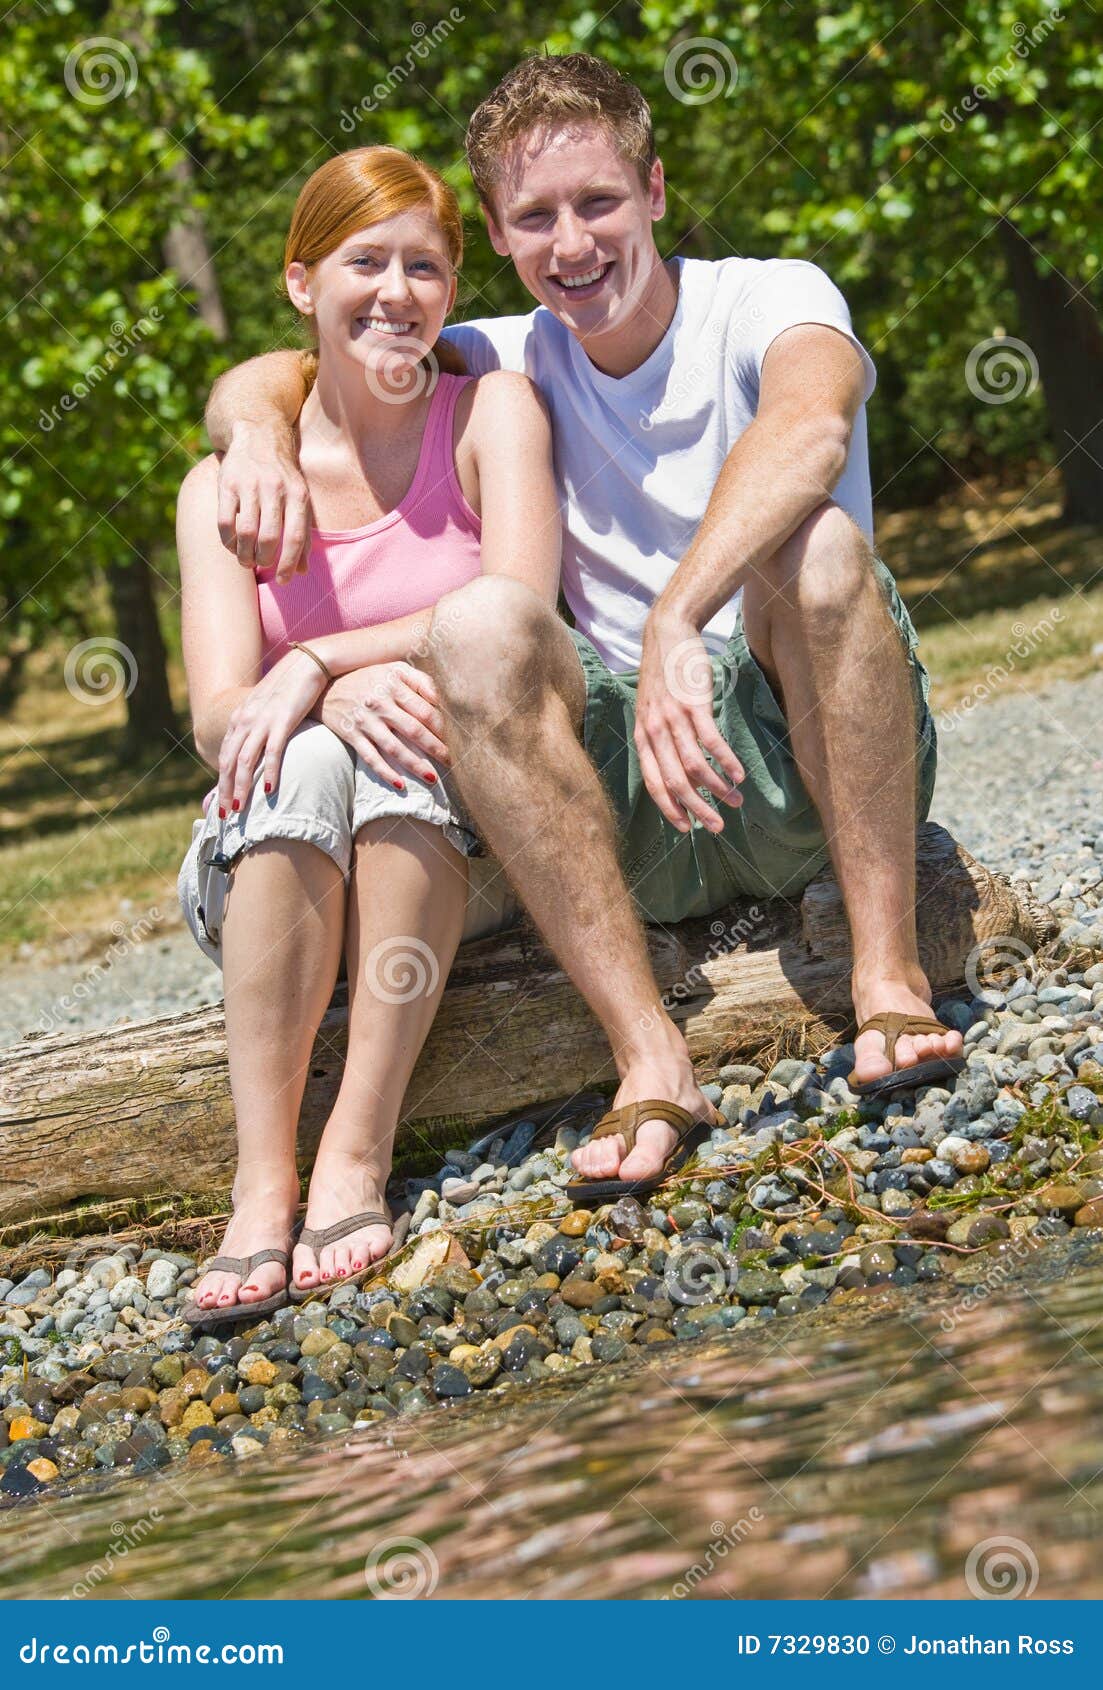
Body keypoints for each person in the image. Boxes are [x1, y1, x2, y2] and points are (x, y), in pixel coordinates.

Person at [203, 54, 963, 1208]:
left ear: (654, 191)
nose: (572, 245)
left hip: (799, 739)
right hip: (624, 800)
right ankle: (648, 1055)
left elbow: (808, 429)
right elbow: (308, 348)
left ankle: (886, 976)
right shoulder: (509, 348)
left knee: (812, 550)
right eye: (533, 218)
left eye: (598, 203)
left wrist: (675, 620)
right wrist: (250, 430)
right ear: (499, 244)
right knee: (479, 626)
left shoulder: (771, 297)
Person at [177, 145, 558, 1319]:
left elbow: (519, 613)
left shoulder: (489, 410)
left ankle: (356, 1147)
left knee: (396, 729)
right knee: (302, 744)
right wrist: (315, 693)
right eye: (364, 262)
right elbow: (213, 716)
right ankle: (259, 1185)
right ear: (302, 283)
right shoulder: (225, 484)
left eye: (425, 267)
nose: (397, 291)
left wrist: (318, 662)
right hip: (271, 850)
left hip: (455, 831)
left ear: (452, 288)